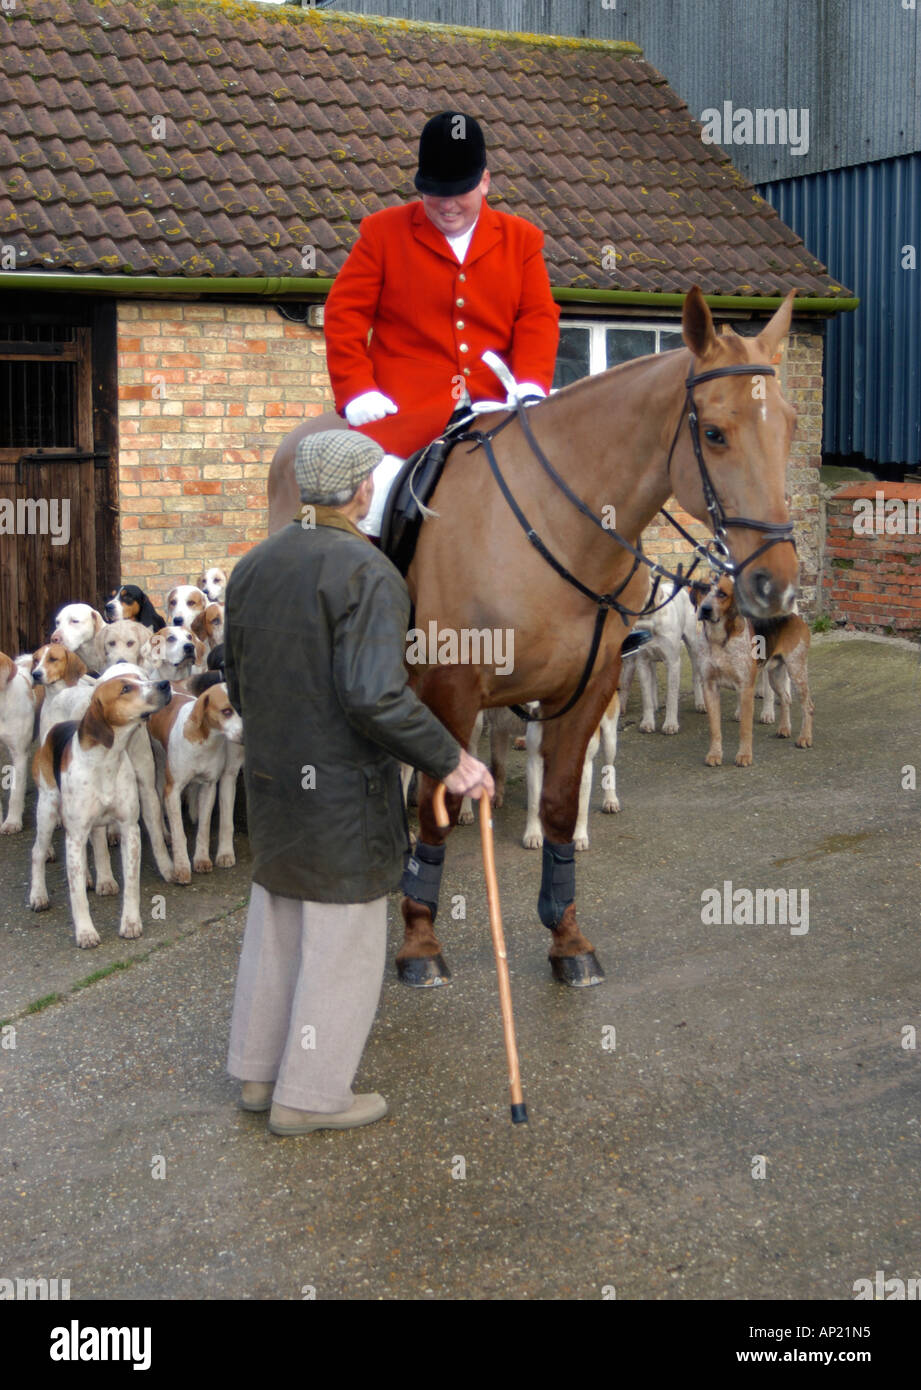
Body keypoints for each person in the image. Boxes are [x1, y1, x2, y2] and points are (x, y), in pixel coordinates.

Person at [224, 430, 494, 1136]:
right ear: (362, 490)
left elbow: (236, 677)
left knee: (277, 925)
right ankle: (308, 1098)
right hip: (342, 793)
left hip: (273, 779)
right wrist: (452, 760)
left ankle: (257, 1076)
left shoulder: (253, 565)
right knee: (341, 945)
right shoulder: (368, 572)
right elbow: (375, 697)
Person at [322, 108, 560, 536]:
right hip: (405, 413)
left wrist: (530, 382)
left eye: (460, 192)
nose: (448, 205)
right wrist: (357, 388)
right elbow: (345, 313)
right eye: (436, 193)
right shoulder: (382, 233)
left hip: (496, 407)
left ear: (485, 181)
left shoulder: (522, 240)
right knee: (371, 513)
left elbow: (537, 318)